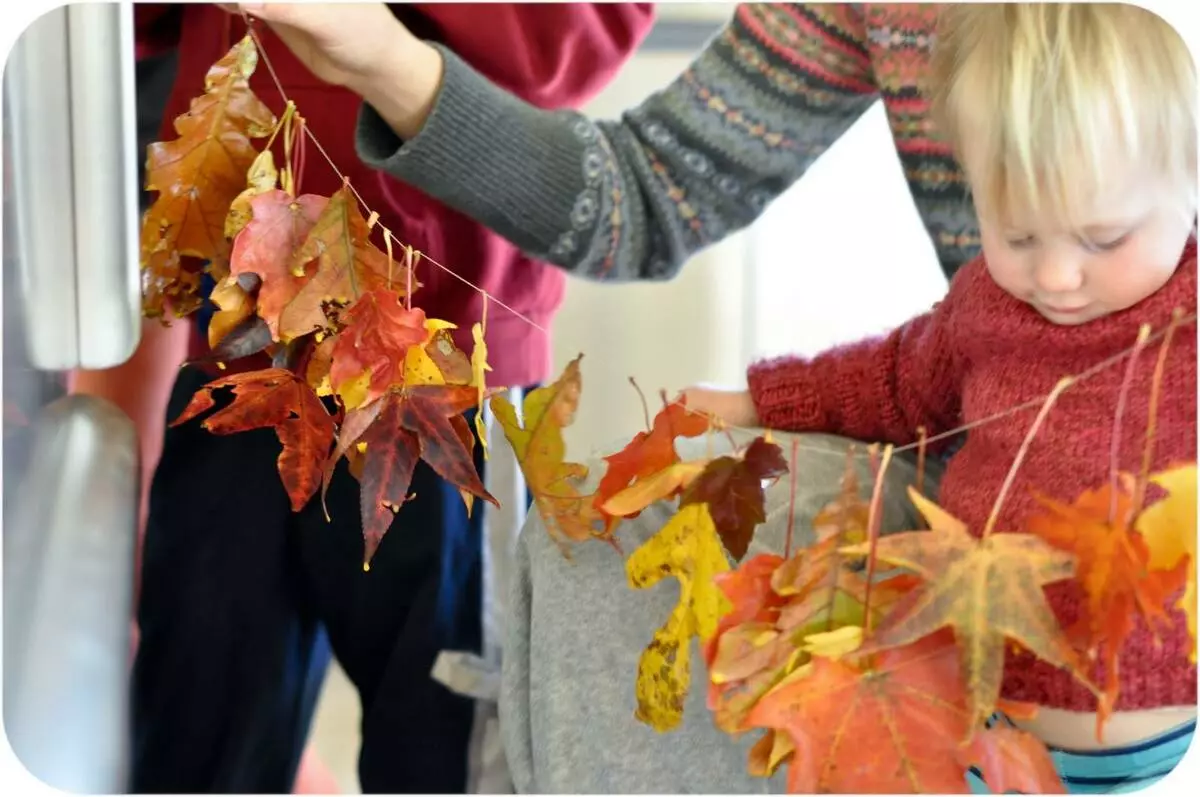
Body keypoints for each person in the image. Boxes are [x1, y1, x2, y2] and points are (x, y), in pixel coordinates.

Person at [69, 3, 653, 793]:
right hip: (242, 326)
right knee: (196, 714)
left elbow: (575, 36)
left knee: (439, 733)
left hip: (437, 344)